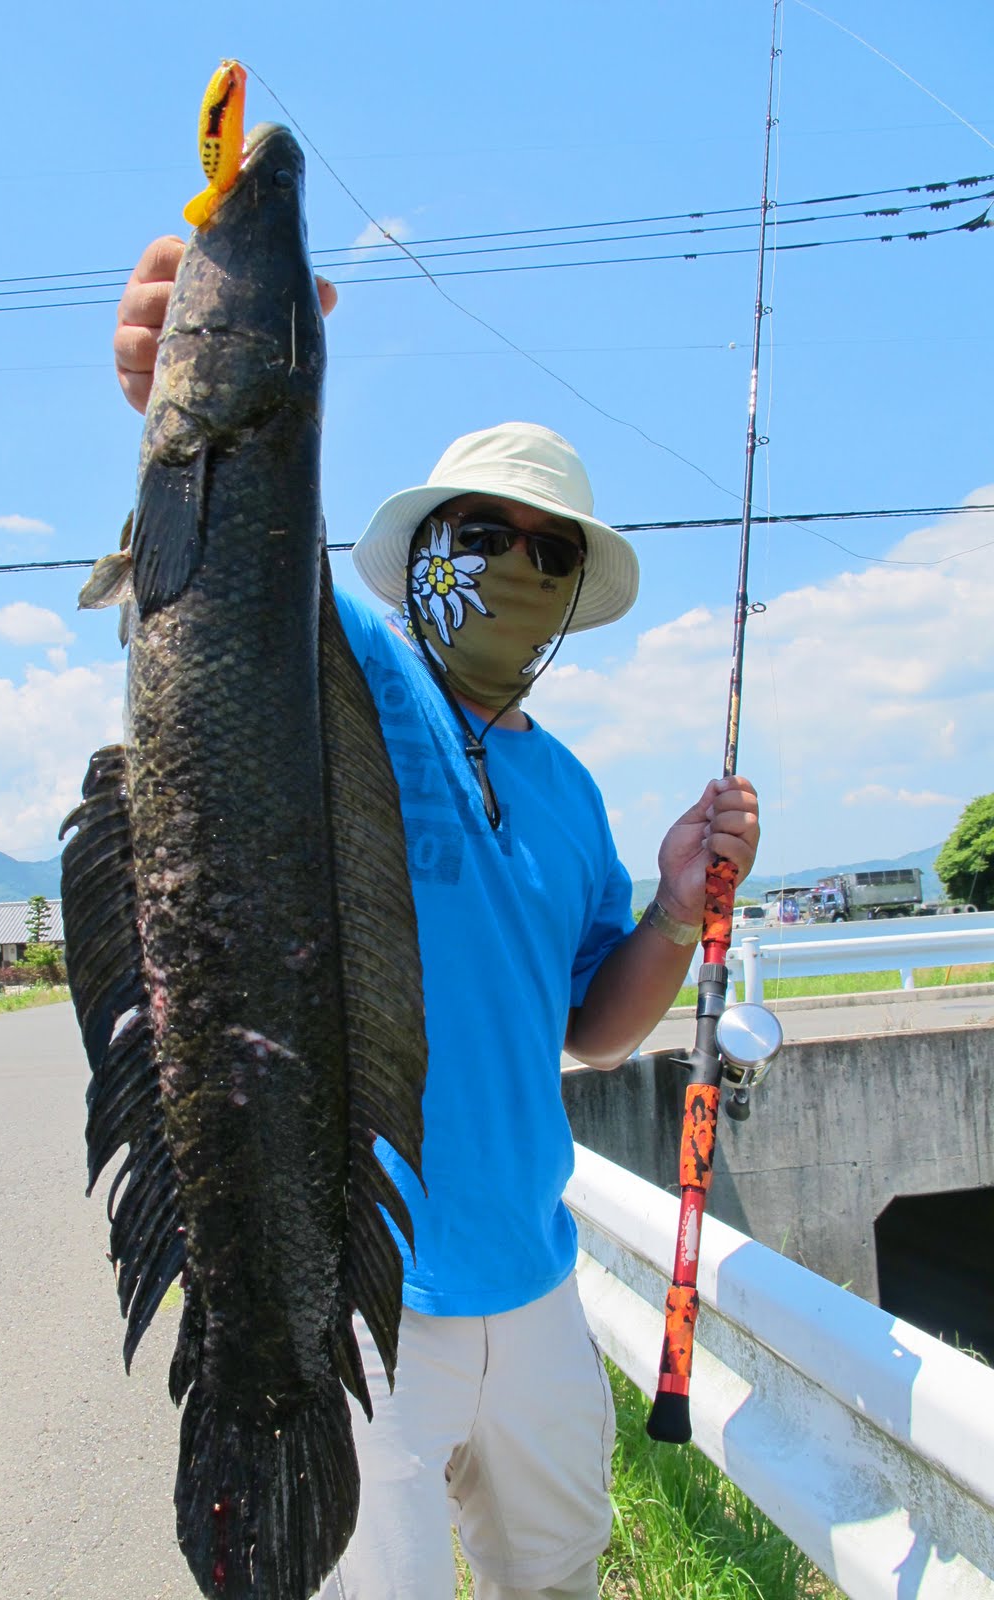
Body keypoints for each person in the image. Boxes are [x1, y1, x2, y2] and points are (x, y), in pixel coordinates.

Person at [113, 239, 760, 1600]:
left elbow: (590, 1032)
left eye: (548, 550)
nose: (516, 562)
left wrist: (673, 910)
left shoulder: (571, 788)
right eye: (485, 533)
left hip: (532, 1281)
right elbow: (233, 571)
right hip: (353, 1295)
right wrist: (178, 397)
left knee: (558, 1581)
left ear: (573, 590)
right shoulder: (345, 661)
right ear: (423, 550)